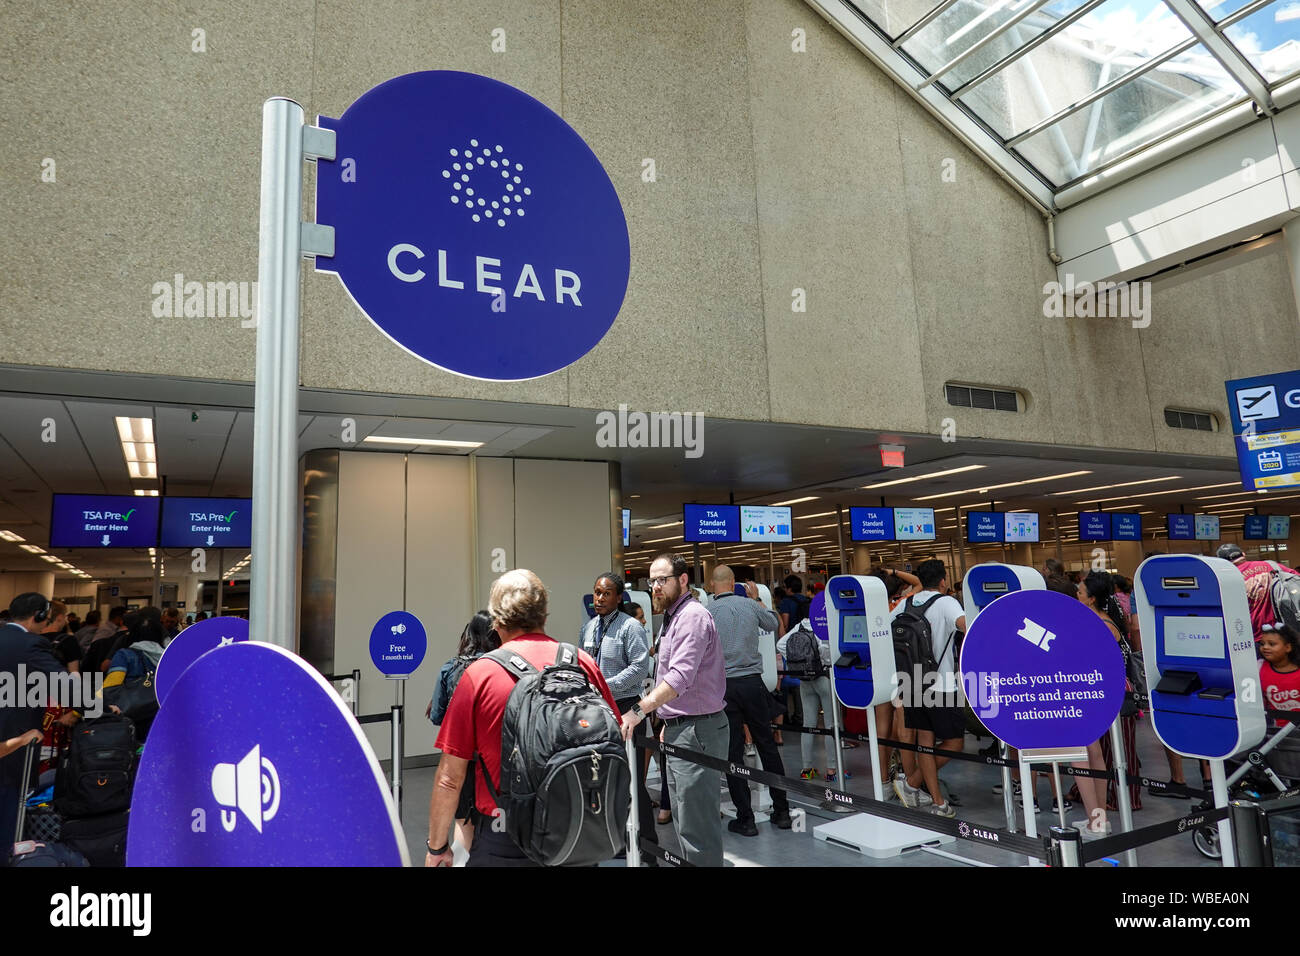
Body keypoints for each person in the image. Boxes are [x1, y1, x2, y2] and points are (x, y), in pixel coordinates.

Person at [426, 570, 618, 868]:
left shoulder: (480, 675)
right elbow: (614, 735)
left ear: (496, 619)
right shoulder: (582, 663)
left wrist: (437, 847)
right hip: (576, 830)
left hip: (504, 834)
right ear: (544, 613)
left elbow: (450, 779)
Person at [619, 553, 728, 866]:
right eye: (652, 580)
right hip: (684, 726)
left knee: (697, 827)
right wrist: (669, 721)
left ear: (682, 580)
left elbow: (679, 678)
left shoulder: (691, 616)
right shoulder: (673, 616)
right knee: (685, 818)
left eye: (662, 579)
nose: (655, 586)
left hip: (698, 729)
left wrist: (639, 711)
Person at [706, 566, 792, 835]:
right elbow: (773, 624)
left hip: (724, 687)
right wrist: (758, 599)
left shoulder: (707, 611)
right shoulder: (750, 605)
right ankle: (782, 811)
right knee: (767, 746)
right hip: (753, 683)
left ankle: (746, 819)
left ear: (712, 584)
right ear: (734, 583)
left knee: (733, 752)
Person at [579, 572, 655, 854]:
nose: (599, 598)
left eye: (606, 593)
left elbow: (639, 668)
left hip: (627, 709)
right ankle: (617, 843)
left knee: (632, 780)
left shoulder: (630, 627)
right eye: (597, 592)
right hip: (597, 710)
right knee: (604, 778)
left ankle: (648, 847)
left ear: (619, 597)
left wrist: (604, 685)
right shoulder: (588, 628)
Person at [892, 560, 965, 818]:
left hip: (912, 681)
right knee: (955, 742)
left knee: (925, 742)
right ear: (943, 581)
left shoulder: (906, 603)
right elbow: (966, 626)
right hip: (941, 684)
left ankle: (938, 803)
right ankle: (912, 783)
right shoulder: (946, 602)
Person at [0, 594, 71, 851]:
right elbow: (65, 685)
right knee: (6, 814)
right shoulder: (31, 644)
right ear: (37, 616)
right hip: (12, 742)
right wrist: (102, 707)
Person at [426, 610, 500, 856]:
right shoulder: (503, 667)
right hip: (496, 761)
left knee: (463, 824)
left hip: (462, 759)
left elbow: (437, 716)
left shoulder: (451, 667)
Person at [1069, 571, 1124, 836]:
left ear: (1091, 599)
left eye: (1080, 592)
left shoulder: (1097, 626)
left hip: (1087, 695)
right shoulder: (1105, 621)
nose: (1076, 595)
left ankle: (1096, 822)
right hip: (1097, 695)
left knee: (1080, 755)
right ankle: (1099, 818)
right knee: (1094, 753)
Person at [776, 615, 840, 782]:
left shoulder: (800, 625)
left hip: (804, 680)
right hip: (823, 677)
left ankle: (807, 769)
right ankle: (832, 770)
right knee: (831, 725)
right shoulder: (824, 624)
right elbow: (826, 650)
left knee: (808, 724)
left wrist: (797, 662)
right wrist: (822, 662)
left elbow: (780, 644)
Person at [1218, 542, 1296, 643]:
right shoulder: (1270, 565)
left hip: (1254, 636)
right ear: (1243, 554)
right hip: (1284, 631)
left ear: (1223, 562)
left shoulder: (1227, 579)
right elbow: (1295, 579)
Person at [1260, 624, 1300, 728]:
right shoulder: (1259, 667)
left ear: (1288, 647)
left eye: (1272, 644)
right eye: (1262, 644)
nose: (1265, 647)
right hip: (1276, 731)